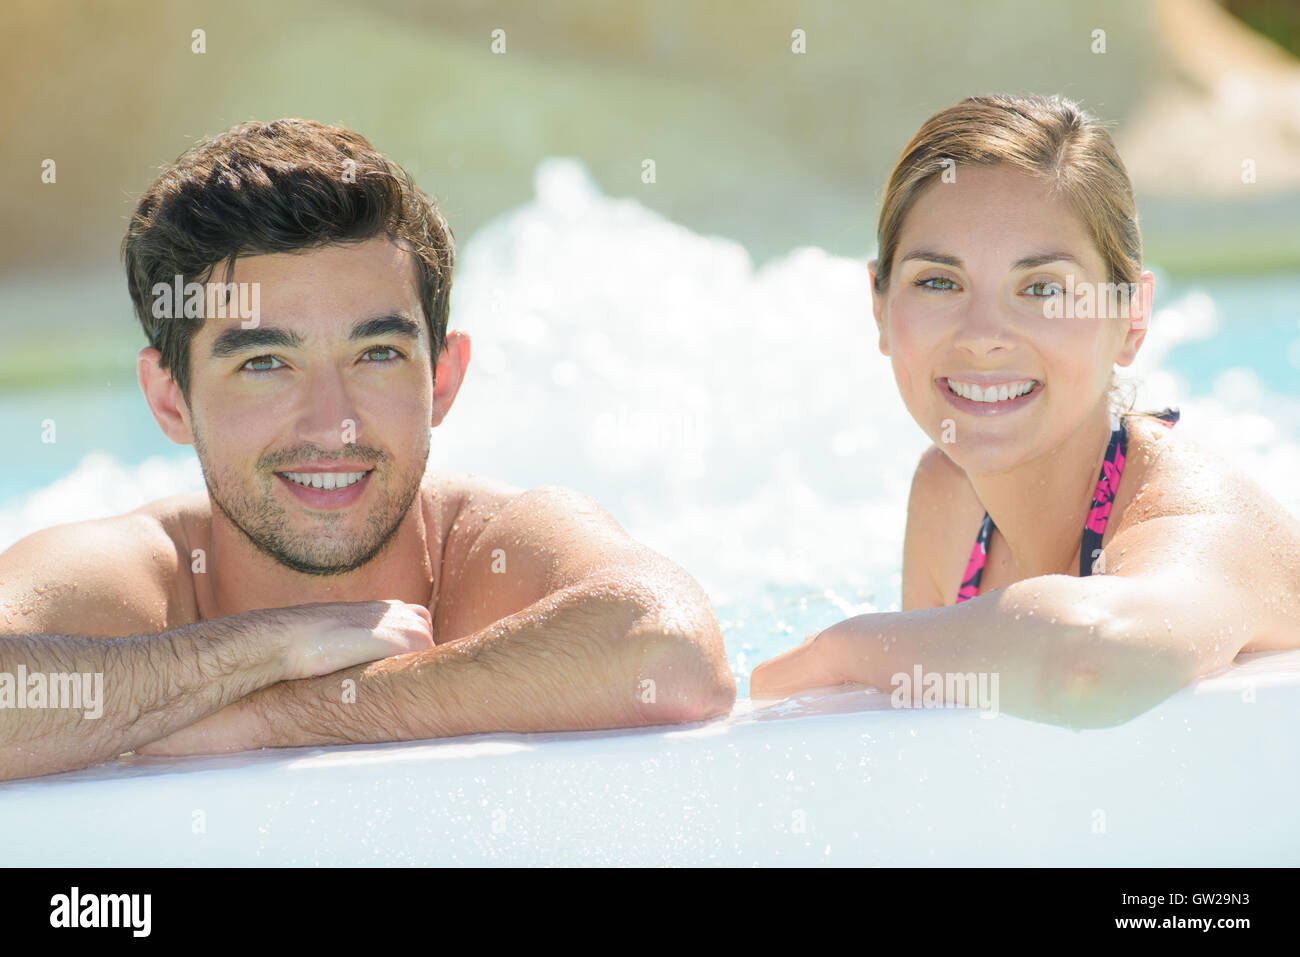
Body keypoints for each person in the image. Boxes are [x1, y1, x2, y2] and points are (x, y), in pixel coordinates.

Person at [0, 119, 734, 781]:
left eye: (376, 354)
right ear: (170, 399)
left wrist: (279, 714)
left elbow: (674, 654)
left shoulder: (496, 550)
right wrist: (263, 649)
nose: (334, 423)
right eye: (264, 364)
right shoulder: (136, 581)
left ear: (442, 378)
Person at [750, 94, 1300, 726]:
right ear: (880, 308)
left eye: (1042, 289)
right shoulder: (949, 495)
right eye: (938, 281)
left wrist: (842, 648)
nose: (983, 334)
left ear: (1131, 317)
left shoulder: (1201, 520)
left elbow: (1086, 663)